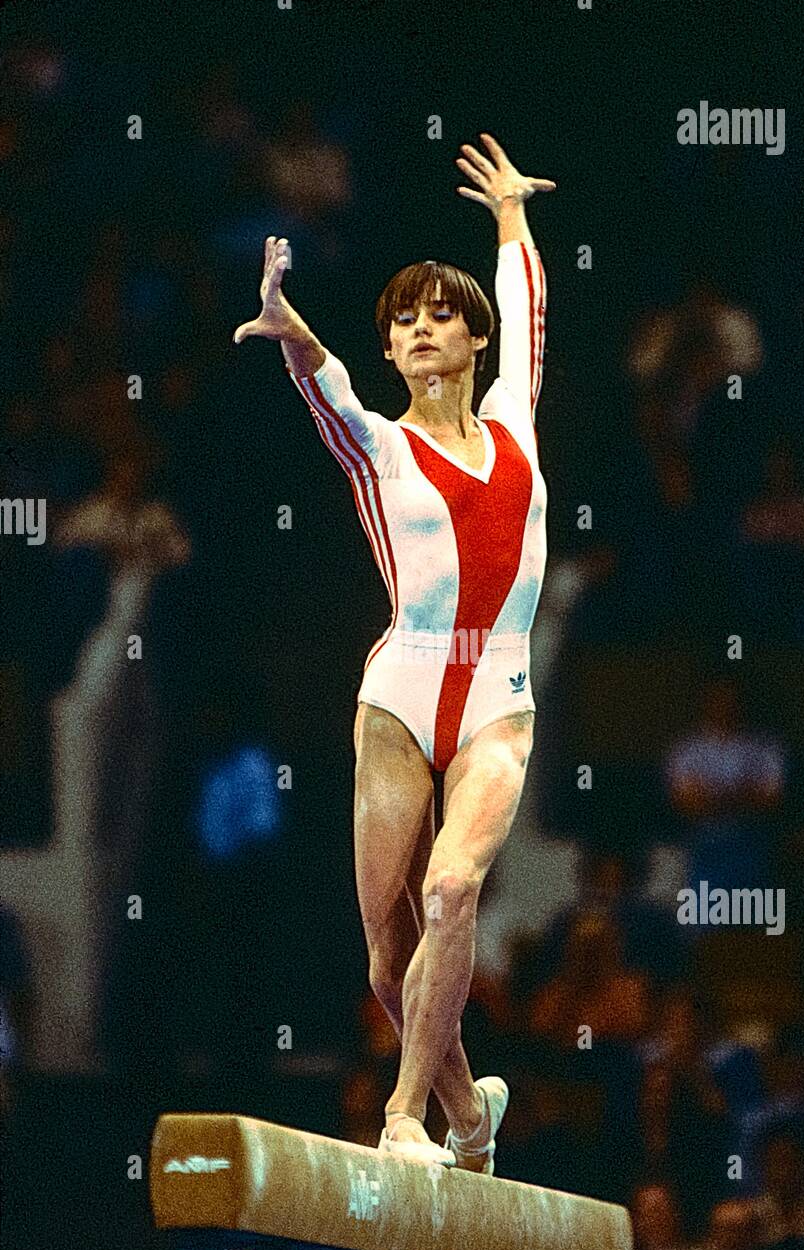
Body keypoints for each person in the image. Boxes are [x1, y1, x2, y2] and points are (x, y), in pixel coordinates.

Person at [234, 133, 555, 1167]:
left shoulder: (514, 420)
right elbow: (320, 383)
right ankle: (470, 1114)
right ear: (386, 349)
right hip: (401, 693)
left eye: (440, 315)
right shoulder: (377, 444)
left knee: (454, 887)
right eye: (402, 321)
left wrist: (509, 215)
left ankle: (404, 1116)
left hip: (498, 693)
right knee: (387, 957)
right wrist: (290, 329)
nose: (420, 330)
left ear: (473, 337)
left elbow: (531, 316)